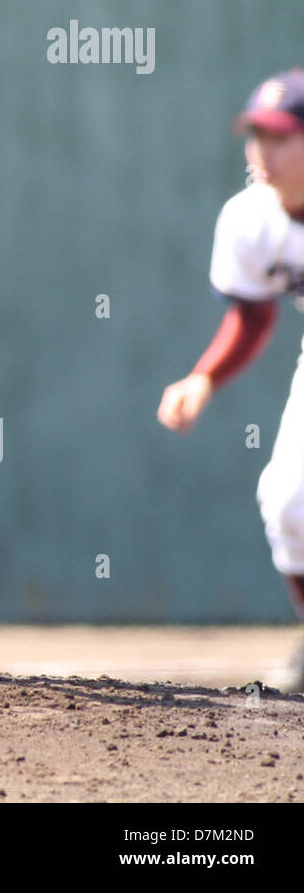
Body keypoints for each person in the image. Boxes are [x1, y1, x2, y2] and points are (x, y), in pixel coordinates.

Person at [158, 70, 304, 691]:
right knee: (288, 502)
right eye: (255, 136)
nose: (262, 152)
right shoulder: (250, 216)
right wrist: (204, 378)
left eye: (280, 137)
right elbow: (253, 313)